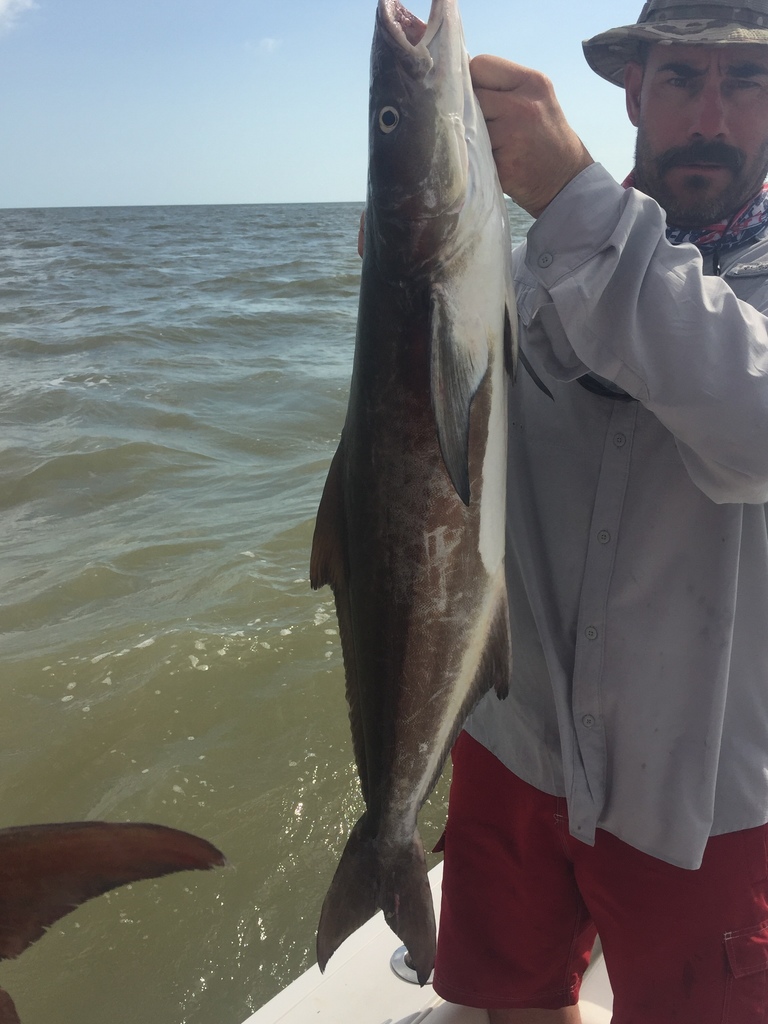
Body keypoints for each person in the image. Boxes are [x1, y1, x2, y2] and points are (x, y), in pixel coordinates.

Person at [431, 2, 768, 1022]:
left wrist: (575, 201)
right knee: (516, 1004)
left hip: (704, 792)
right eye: (680, 79)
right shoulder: (531, 271)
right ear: (633, 89)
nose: (711, 112)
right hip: (516, 746)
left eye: (745, 81)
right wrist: (414, 269)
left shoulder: (574, 229)